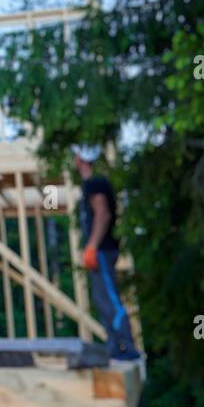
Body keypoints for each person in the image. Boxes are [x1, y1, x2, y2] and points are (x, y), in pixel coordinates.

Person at [72, 143, 141, 360]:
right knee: (102, 300)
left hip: (102, 251)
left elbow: (103, 214)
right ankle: (114, 347)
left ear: (80, 160)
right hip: (101, 251)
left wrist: (92, 246)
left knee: (110, 299)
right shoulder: (92, 184)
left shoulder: (95, 184)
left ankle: (126, 347)